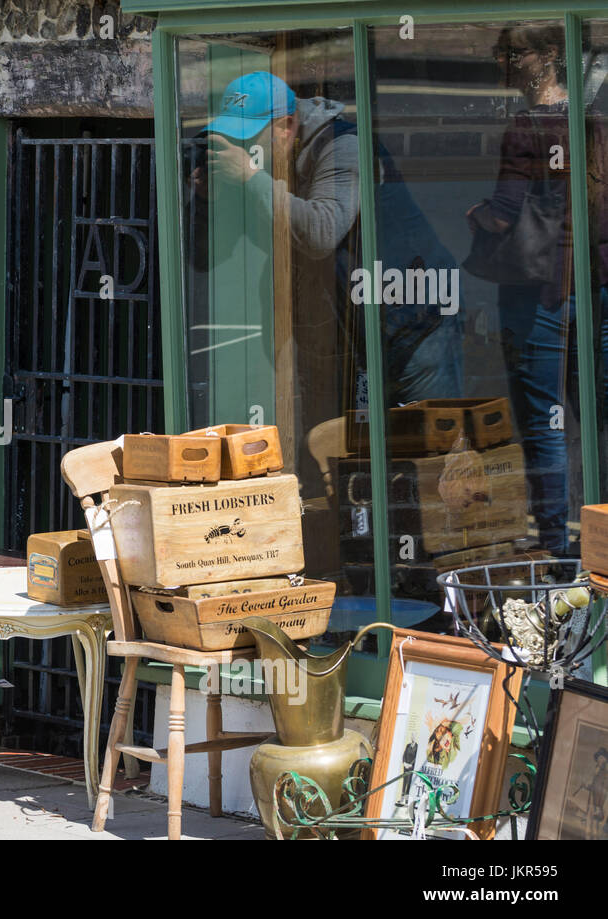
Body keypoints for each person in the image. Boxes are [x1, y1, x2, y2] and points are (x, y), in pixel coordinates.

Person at [190, 71, 461, 493]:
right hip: (351, 332)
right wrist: (207, 199)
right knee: (348, 466)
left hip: (416, 322)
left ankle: (437, 557)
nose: (244, 148)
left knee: (433, 464)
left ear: (286, 125)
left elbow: (320, 233)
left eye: (250, 136)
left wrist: (250, 180)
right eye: (235, 138)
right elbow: (205, 258)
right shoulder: (259, 167)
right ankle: (367, 555)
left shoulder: (343, 146)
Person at [464, 26, 608, 556]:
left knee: (544, 419)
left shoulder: (527, 125)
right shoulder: (593, 120)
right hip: (591, 283)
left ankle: (555, 546)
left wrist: (475, 216)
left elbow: (504, 215)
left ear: (550, 56)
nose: (502, 60)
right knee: (592, 416)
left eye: (514, 51)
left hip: (540, 291)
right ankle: (598, 542)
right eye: (498, 50)